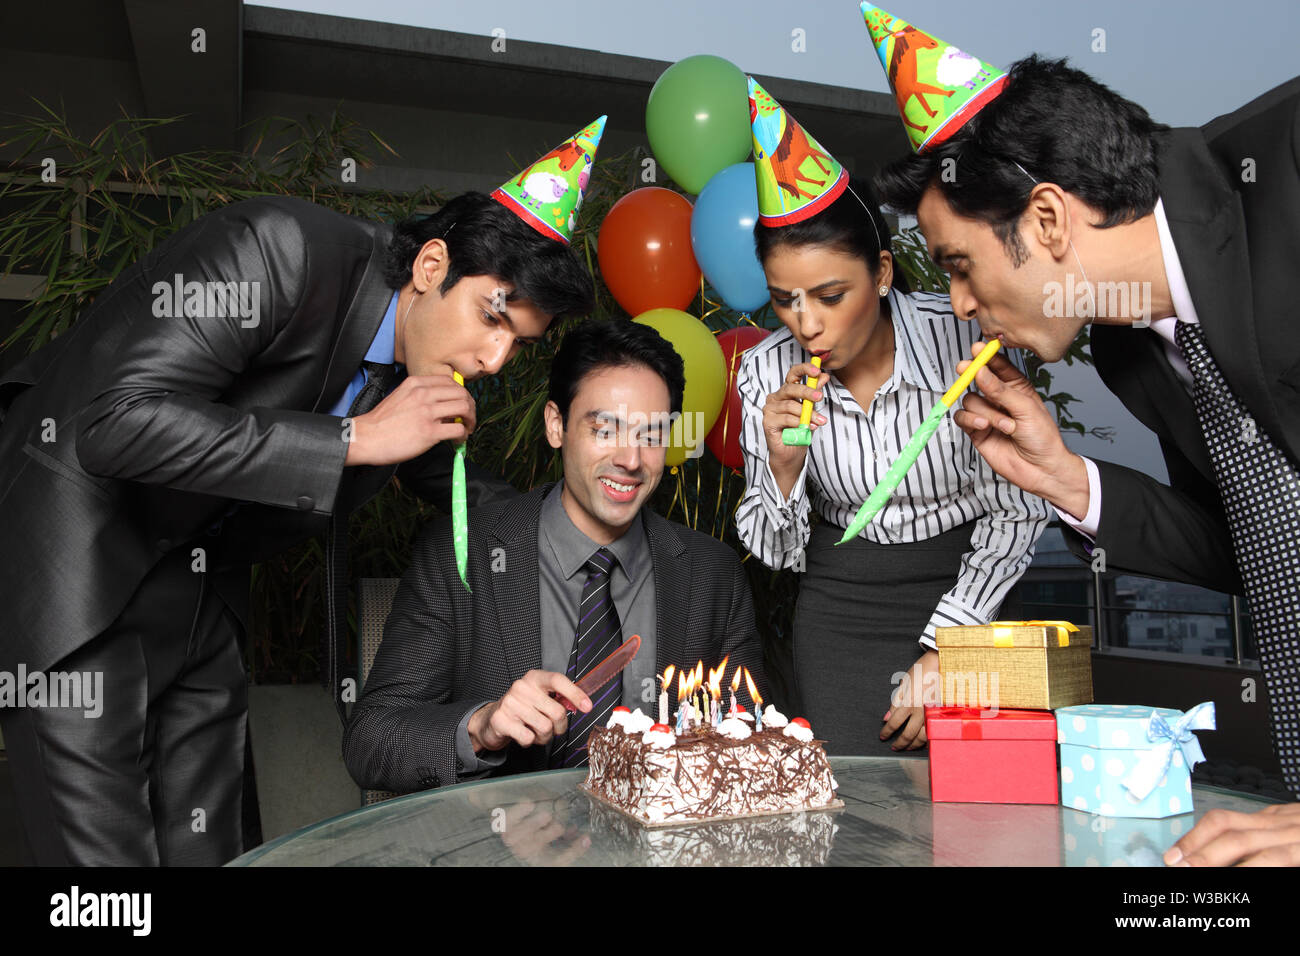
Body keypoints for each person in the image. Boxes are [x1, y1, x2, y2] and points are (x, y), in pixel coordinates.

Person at [0, 118, 605, 865]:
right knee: (104, 873)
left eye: (518, 344)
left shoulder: (415, 364)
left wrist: (576, 527)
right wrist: (358, 440)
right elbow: (114, 425)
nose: (492, 358)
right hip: (79, 564)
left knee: (215, 850)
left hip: (202, 594)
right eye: (490, 318)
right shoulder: (277, 249)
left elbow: (443, 479)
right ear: (430, 265)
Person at [872, 41, 1300, 863]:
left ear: (1046, 218)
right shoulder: (1128, 346)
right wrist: (1070, 481)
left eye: (959, 265)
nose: (960, 306)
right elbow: (1250, 550)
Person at [734, 79, 1048, 757]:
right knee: (856, 826)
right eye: (784, 300)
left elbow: (1019, 510)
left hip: (976, 592)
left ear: (881, 273)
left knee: (990, 817)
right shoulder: (763, 372)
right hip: (841, 609)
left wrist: (950, 648)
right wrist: (784, 472)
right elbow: (779, 554)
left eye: (829, 294)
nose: (806, 324)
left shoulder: (966, 336)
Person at [343, 319, 768, 792]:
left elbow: (750, 742)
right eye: (606, 429)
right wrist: (481, 727)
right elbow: (371, 741)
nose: (631, 459)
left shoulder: (713, 573)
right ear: (555, 425)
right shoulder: (462, 554)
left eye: (651, 435)